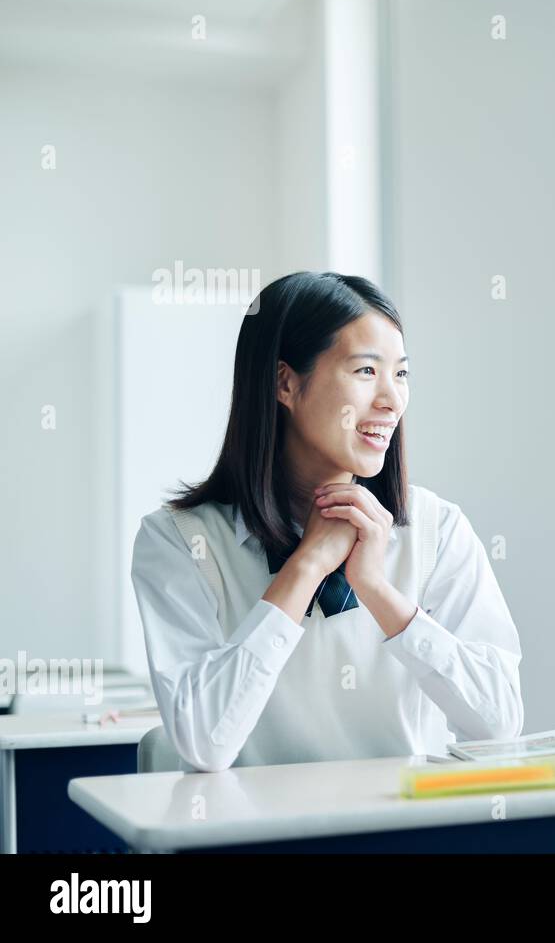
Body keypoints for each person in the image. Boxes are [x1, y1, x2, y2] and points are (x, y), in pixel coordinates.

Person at [131, 272, 523, 773]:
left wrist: (379, 591)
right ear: (285, 383)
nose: (391, 400)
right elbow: (204, 744)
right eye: (365, 371)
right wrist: (307, 565)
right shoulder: (180, 541)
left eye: (400, 374)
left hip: (408, 832)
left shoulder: (437, 529)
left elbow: (499, 722)